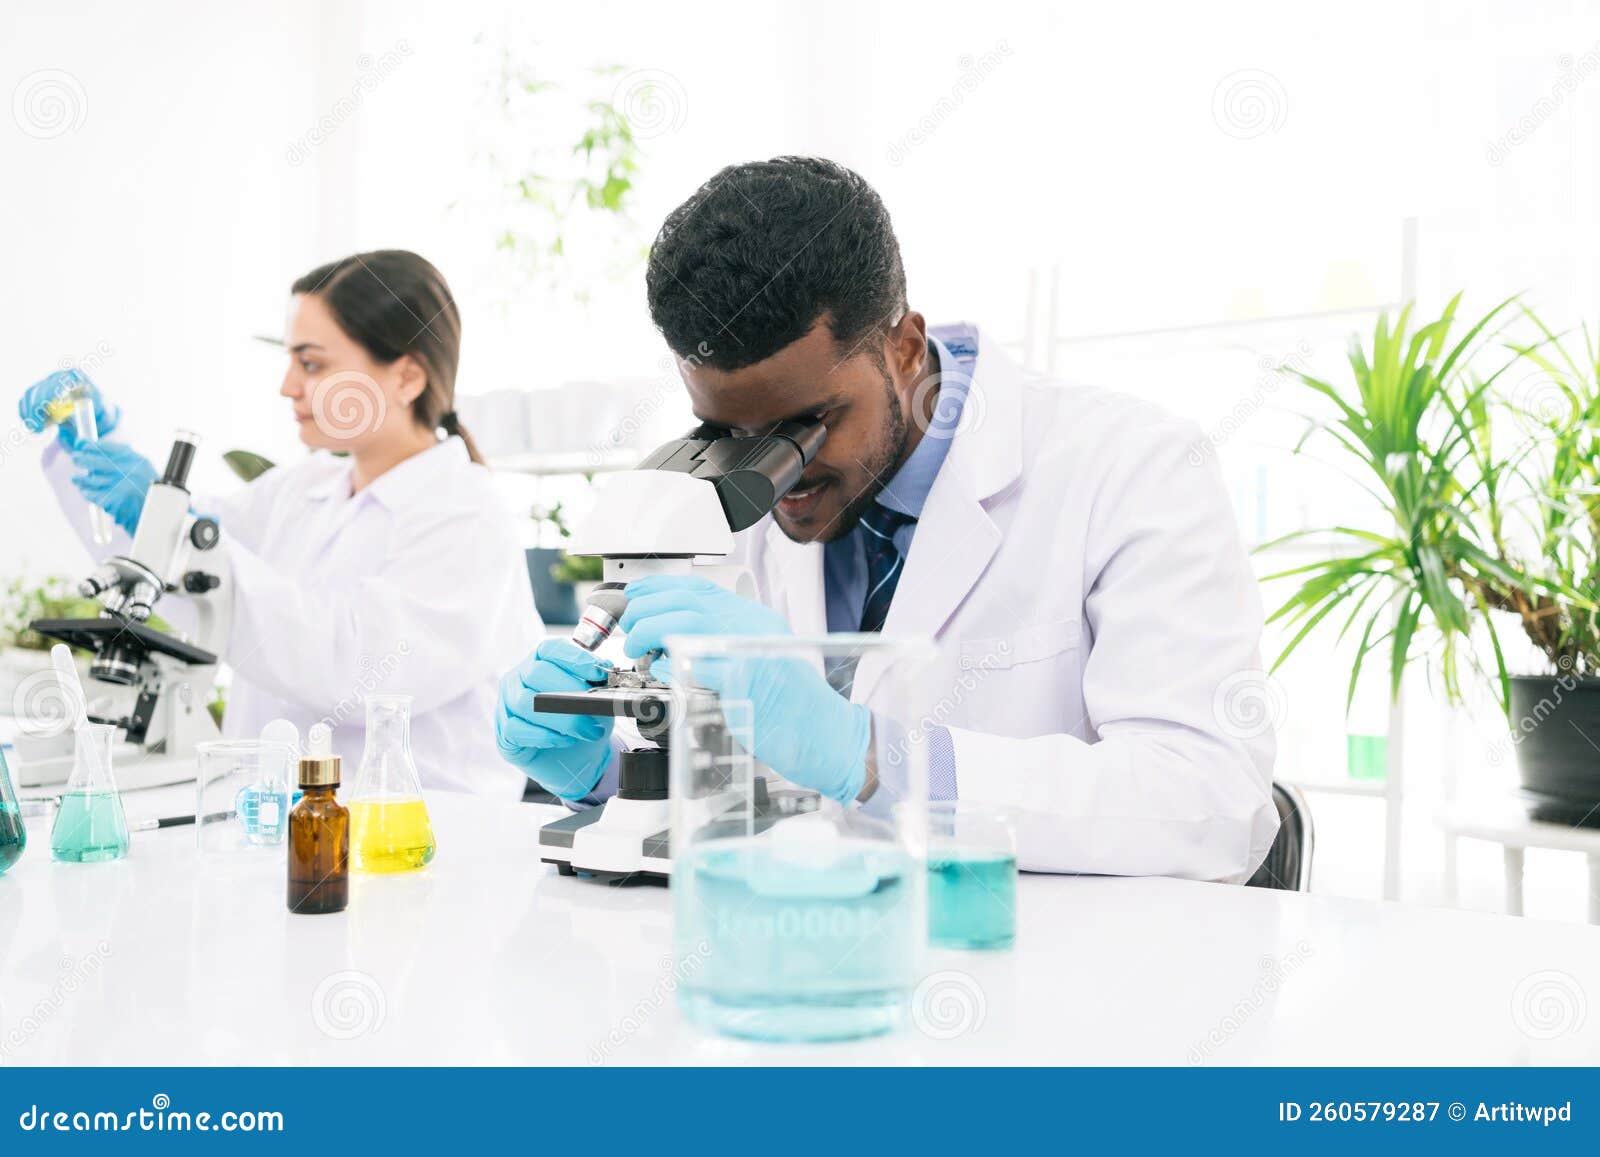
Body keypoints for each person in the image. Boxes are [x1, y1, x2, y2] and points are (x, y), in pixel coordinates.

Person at [496, 158, 1278, 879]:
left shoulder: (1129, 466)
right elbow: (762, 794)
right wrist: (608, 774)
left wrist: (874, 755)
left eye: (805, 426)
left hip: (1043, 986)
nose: (773, 475)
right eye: (729, 433)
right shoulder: (729, 499)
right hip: (812, 963)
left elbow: (1210, 803)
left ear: (905, 348)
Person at [22, 250, 539, 797]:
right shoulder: (299, 490)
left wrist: (174, 523)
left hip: (423, 843)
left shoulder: (467, 514)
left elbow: (358, 666)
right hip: (278, 829)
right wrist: (92, 448)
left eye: (311, 363)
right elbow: (183, 581)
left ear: (406, 376)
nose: (288, 386)